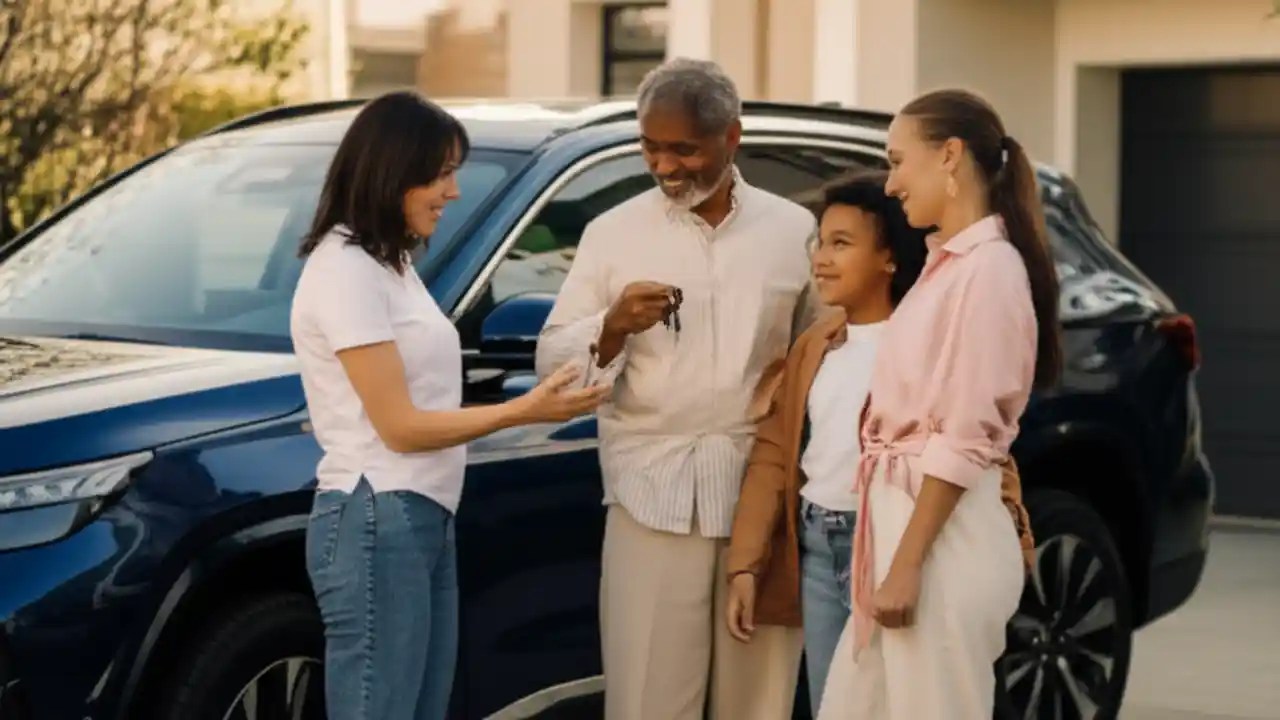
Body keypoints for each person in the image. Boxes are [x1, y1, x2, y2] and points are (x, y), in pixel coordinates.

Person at [289, 91, 608, 720]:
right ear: (393, 173)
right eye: (440, 174)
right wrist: (524, 412)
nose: (452, 192)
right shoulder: (345, 270)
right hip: (377, 515)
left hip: (418, 514)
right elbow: (400, 427)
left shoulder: (390, 265)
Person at [535, 58, 820, 720]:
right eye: (650, 147)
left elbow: (821, 360)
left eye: (684, 150)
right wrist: (610, 328)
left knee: (758, 703)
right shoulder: (612, 233)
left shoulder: (793, 232)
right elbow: (554, 365)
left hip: (760, 498)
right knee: (648, 701)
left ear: (732, 137)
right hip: (650, 498)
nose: (665, 166)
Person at [724, 171, 1035, 715]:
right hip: (820, 547)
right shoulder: (816, 345)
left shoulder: (922, 339)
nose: (821, 259)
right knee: (833, 702)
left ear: (889, 258)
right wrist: (745, 563)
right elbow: (774, 453)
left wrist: (1016, 533)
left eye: (841, 244)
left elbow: (980, 443)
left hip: (892, 544)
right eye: (820, 242)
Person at [816, 89, 1061, 719]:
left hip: (941, 544)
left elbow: (966, 435)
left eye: (899, 161)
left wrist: (906, 565)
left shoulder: (990, 271)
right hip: (902, 531)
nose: (891, 183)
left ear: (949, 156)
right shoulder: (946, 266)